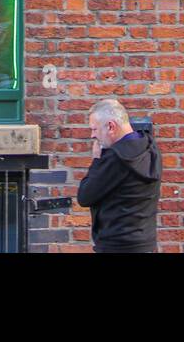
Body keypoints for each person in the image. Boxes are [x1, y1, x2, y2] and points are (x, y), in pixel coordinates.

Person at [75, 98, 162, 253]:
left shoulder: (115, 158)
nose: (92, 135)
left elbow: (85, 196)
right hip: (147, 244)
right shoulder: (150, 147)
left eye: (94, 129)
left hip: (117, 246)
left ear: (110, 126)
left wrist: (96, 160)